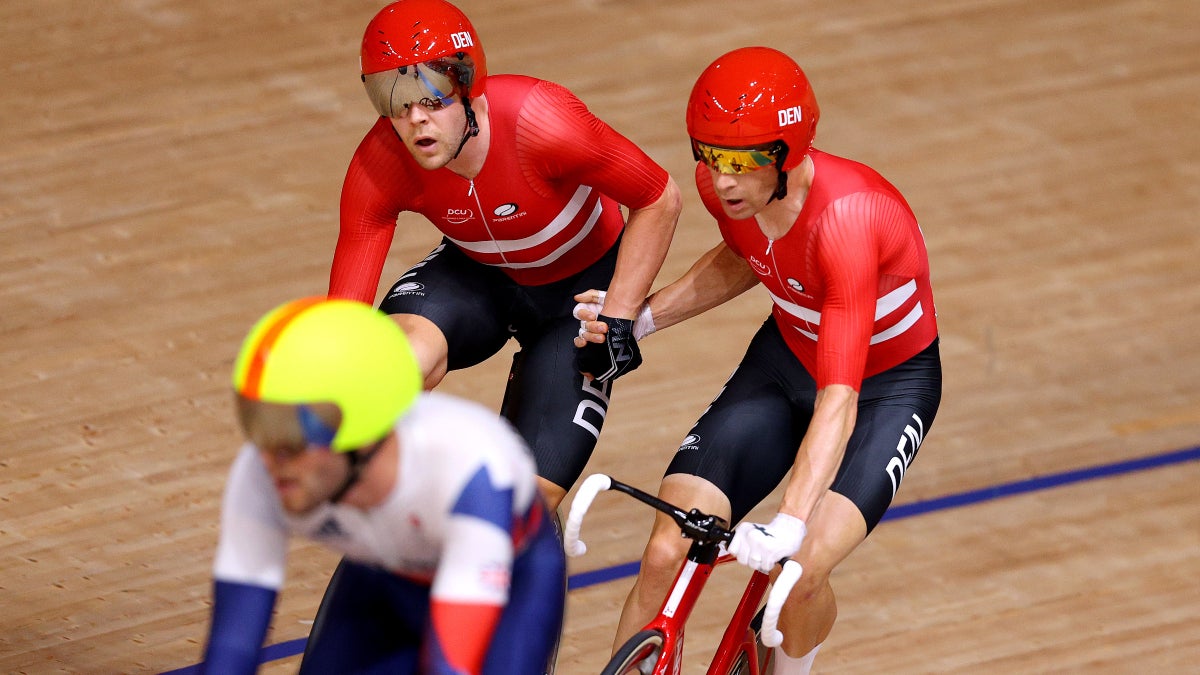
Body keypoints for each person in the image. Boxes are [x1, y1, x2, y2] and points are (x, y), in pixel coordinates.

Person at [574, 47, 942, 674]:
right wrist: (644, 317)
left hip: (883, 388)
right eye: (709, 155)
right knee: (667, 551)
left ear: (786, 151)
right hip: (782, 363)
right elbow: (743, 257)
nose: (721, 180)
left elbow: (840, 397)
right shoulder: (733, 188)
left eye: (740, 162)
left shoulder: (848, 222)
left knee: (798, 574)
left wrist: (791, 522)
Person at [328, 0, 681, 514]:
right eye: (391, 97)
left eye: (431, 92)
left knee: (526, 511)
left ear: (468, 82)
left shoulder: (546, 123)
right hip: (478, 276)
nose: (415, 118)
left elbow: (658, 196)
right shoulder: (381, 160)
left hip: (576, 302)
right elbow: (346, 314)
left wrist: (620, 315)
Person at [200, 297, 565, 674]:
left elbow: (451, 666)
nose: (268, 458)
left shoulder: (469, 474)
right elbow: (232, 648)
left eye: (291, 436)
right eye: (260, 425)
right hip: (385, 577)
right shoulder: (265, 471)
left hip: (511, 590)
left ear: (359, 434)